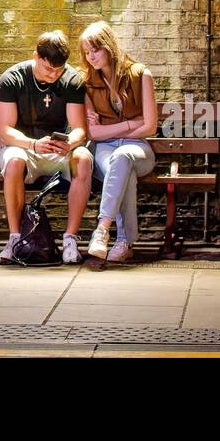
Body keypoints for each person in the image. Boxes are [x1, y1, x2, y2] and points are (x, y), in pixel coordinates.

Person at [0, 30, 94, 265]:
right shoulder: (11, 79)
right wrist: (33, 144)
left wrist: (70, 142)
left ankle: (70, 240)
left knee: (84, 158)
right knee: (14, 160)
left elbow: (80, 129)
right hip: (24, 147)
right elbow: (5, 131)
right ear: (36, 57)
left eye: (58, 70)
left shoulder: (72, 80)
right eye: (49, 69)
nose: (54, 75)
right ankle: (15, 239)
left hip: (59, 150)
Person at [79, 20, 157, 263]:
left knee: (123, 157)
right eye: (87, 52)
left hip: (139, 149)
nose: (91, 57)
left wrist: (110, 130)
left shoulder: (141, 75)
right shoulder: (87, 84)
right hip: (104, 149)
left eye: (96, 50)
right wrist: (131, 124)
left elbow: (151, 126)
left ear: (109, 47)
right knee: (123, 169)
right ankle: (124, 242)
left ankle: (102, 229)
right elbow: (93, 134)